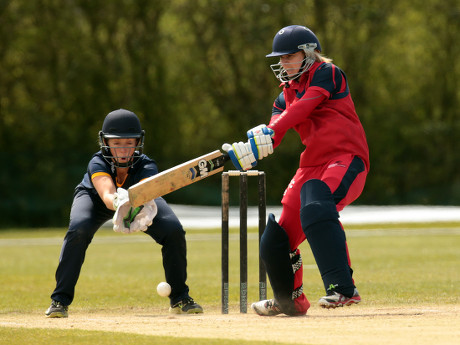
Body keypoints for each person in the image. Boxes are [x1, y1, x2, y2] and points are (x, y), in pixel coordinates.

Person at [223, 25, 370, 316]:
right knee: (274, 239)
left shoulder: (328, 74)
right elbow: (272, 138)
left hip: (346, 158)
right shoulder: (283, 97)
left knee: (315, 201)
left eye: (289, 56)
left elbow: (303, 108)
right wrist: (249, 151)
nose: (283, 63)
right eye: (281, 58)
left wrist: (269, 129)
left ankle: (343, 289)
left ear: (308, 53)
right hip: (311, 165)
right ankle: (289, 301)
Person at [45, 109, 203, 317]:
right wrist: (122, 204)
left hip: (140, 202)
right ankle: (60, 301)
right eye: (116, 143)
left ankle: (180, 297)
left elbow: (147, 189)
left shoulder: (146, 164)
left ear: (138, 142)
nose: (123, 149)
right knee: (78, 230)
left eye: (129, 143)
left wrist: (139, 204)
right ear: (105, 142)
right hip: (95, 199)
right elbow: (107, 194)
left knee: (173, 230)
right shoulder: (97, 162)